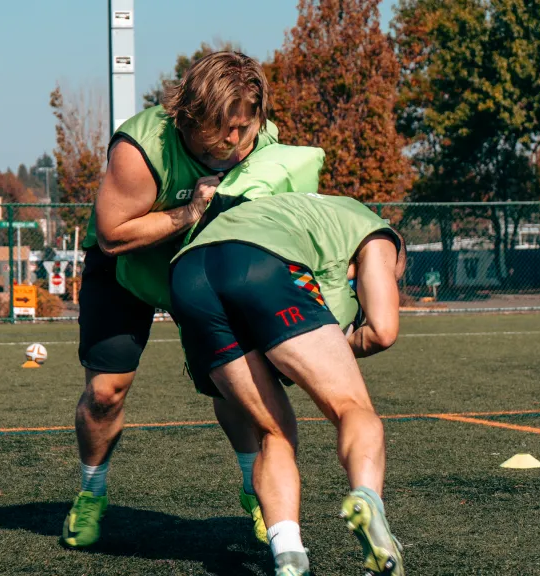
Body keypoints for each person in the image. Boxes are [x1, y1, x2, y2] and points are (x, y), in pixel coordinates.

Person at [63, 51, 280, 549]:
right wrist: (189, 212)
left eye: (244, 127)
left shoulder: (260, 140)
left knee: (237, 387)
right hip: (127, 267)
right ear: (189, 115)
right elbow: (112, 234)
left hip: (204, 265)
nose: (235, 140)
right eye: (223, 128)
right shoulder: (141, 148)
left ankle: (257, 493)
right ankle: (92, 493)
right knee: (105, 393)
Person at [170, 193, 407, 576]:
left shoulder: (309, 214)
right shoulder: (379, 236)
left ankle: (289, 556)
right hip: (258, 261)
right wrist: (329, 348)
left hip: (187, 276)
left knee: (273, 432)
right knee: (351, 408)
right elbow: (381, 331)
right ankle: (367, 499)